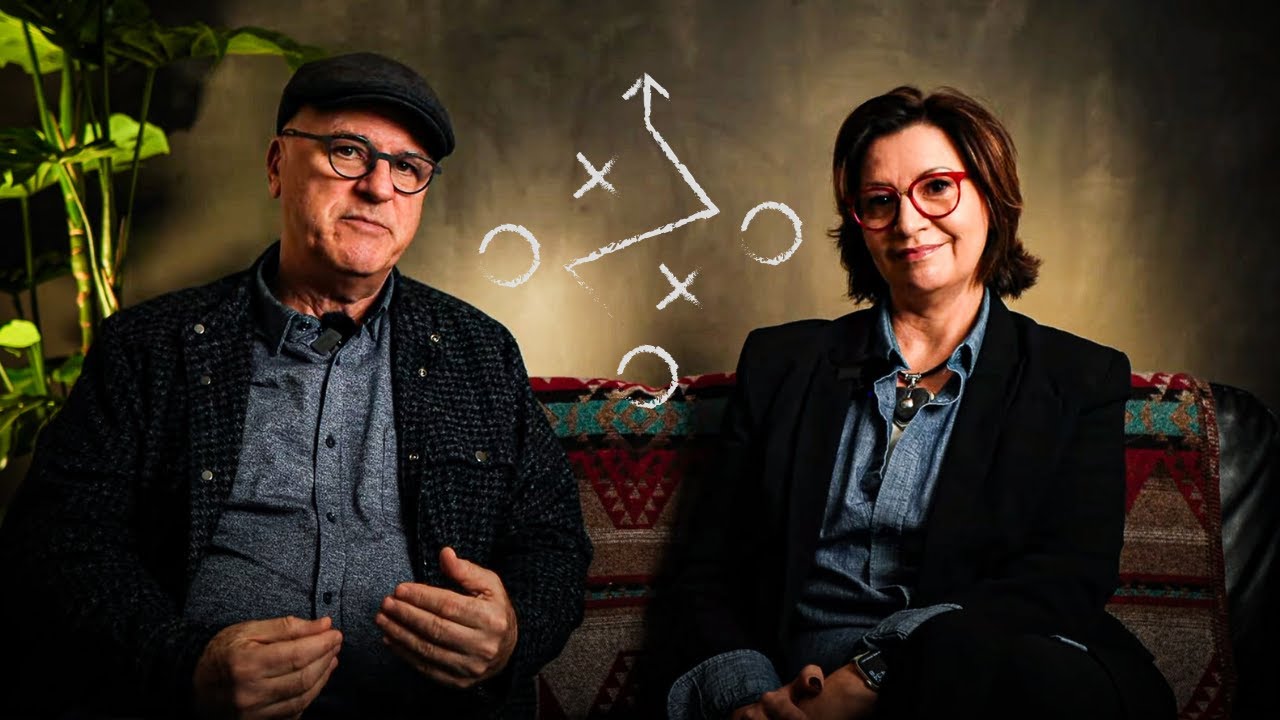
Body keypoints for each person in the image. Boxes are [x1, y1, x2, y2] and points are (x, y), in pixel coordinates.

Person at [0, 51, 591, 719]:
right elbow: (56, 543)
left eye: (408, 167)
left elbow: (554, 543)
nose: (379, 187)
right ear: (277, 165)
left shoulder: (479, 352)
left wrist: (513, 632)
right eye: (348, 152)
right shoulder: (150, 347)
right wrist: (182, 661)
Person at [665, 86, 1176, 719]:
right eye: (880, 201)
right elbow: (711, 573)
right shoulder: (781, 365)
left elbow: (1067, 578)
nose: (908, 223)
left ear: (991, 196)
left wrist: (877, 672)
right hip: (804, 683)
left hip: (990, 669)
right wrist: (755, 701)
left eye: (936, 188)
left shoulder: (1078, 377)